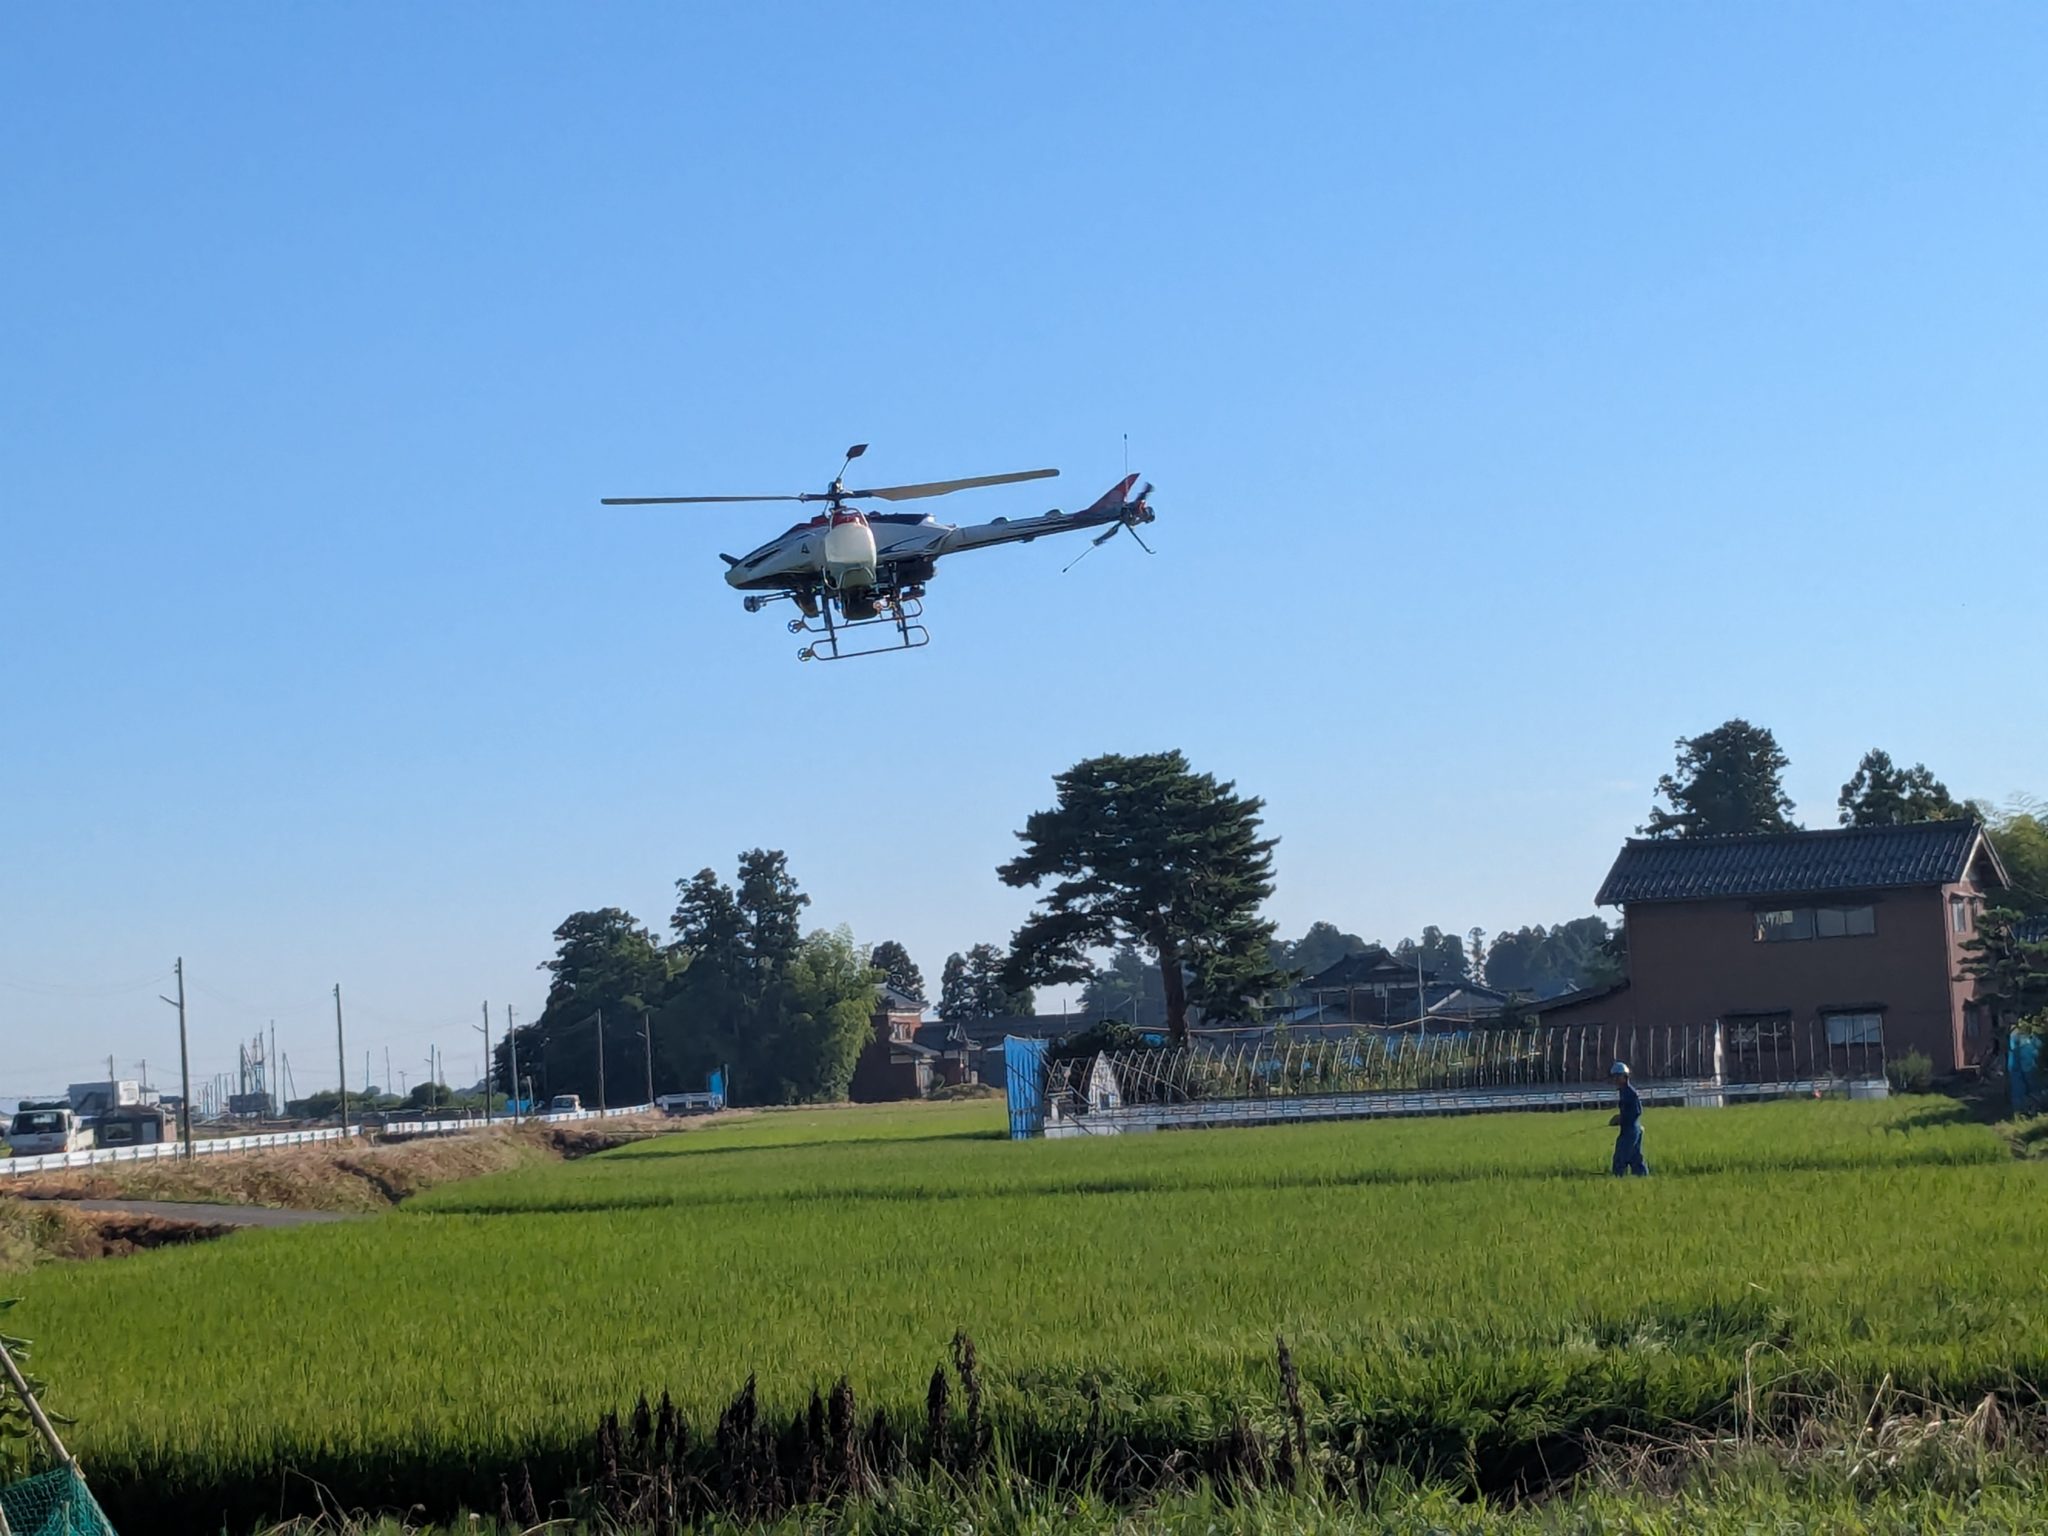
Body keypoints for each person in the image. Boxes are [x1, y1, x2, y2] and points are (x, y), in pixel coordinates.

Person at [1608, 1060, 1649, 1177]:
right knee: (1635, 1158)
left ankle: (1618, 1178)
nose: (1615, 1079)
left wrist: (1621, 1118)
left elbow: (1637, 1111)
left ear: (1625, 1077)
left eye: (1618, 1076)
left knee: (1620, 1158)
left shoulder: (1631, 1093)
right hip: (1629, 1129)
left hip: (1631, 1130)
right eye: (1614, 1077)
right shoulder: (1623, 1091)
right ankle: (1642, 1178)